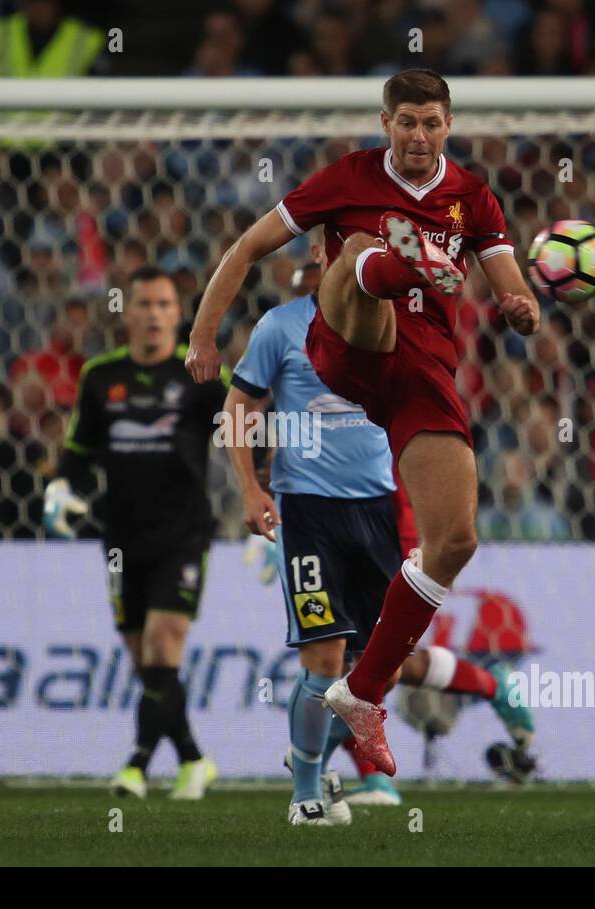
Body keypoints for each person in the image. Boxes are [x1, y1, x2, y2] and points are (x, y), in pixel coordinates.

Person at [188, 69, 540, 775]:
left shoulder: (473, 198)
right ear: (386, 124)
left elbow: (511, 289)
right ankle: (398, 263)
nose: (417, 135)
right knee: (353, 253)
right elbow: (248, 247)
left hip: (420, 378)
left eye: (430, 123)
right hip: (345, 349)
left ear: (449, 126)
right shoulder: (345, 179)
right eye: (405, 121)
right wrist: (204, 334)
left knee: (455, 541)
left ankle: (362, 694)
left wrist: (523, 307)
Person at [223, 237, 531, 825]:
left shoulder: (403, 324)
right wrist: (249, 488)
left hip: (381, 510)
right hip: (308, 511)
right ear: (320, 249)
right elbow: (240, 407)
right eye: (334, 235)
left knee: (380, 670)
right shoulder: (282, 326)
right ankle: (307, 794)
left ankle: (315, 763)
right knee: (323, 658)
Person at [44, 267, 226, 800]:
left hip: (184, 532)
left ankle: (137, 765)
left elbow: (247, 427)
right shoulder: (100, 376)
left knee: (164, 643)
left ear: (178, 313)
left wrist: (263, 489)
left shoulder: (202, 374)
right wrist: (61, 489)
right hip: (120, 536)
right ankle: (194, 759)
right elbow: (79, 455)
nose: (153, 314)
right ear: (127, 312)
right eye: (144, 304)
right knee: (145, 662)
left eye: (164, 304)